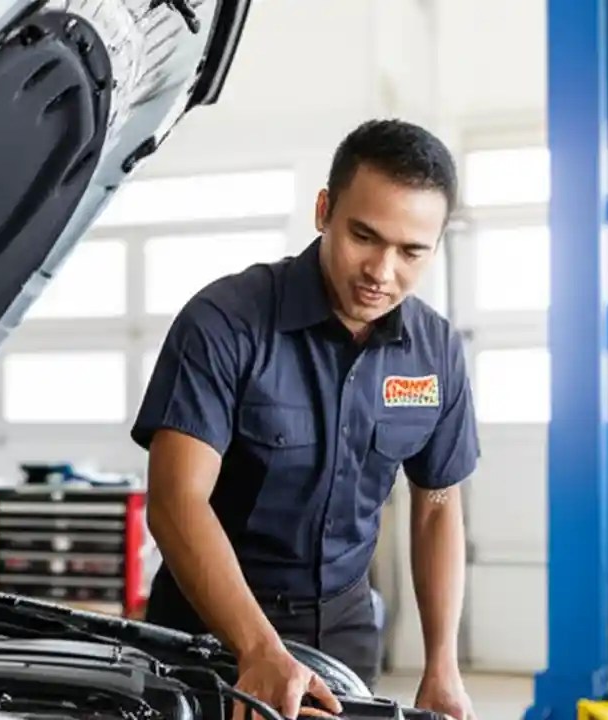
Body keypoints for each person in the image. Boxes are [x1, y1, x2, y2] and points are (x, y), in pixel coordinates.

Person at [130, 119, 480, 720]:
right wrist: (257, 647)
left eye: (410, 251)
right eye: (364, 236)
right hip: (210, 625)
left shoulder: (435, 351)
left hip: (344, 628)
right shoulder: (226, 323)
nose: (381, 270)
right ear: (324, 210)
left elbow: (439, 504)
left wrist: (441, 663)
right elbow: (175, 501)